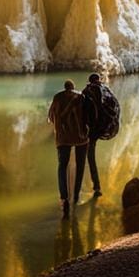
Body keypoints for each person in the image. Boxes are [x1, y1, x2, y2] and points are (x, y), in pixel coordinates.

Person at [47, 80, 90, 216]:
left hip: (63, 138)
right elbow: (87, 117)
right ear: (73, 87)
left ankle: (64, 198)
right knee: (81, 164)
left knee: (62, 166)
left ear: (64, 87)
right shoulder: (80, 97)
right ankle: (76, 195)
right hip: (80, 137)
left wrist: (60, 128)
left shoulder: (57, 97)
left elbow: (51, 117)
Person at [81, 73, 120, 198]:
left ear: (89, 80)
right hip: (101, 128)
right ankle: (97, 186)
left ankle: (88, 186)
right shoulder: (106, 90)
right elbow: (116, 108)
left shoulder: (87, 91)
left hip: (89, 131)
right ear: (99, 80)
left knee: (88, 158)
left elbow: (82, 111)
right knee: (90, 158)